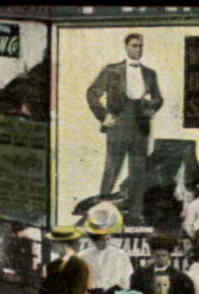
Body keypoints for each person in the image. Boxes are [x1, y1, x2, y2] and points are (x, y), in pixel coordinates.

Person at [86, 33, 163, 222]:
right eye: (135, 46)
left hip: (140, 126)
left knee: (138, 171)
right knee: (112, 167)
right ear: (126, 47)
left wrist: (150, 106)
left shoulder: (150, 73)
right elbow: (92, 93)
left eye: (141, 46)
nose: (138, 49)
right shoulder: (112, 70)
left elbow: (159, 98)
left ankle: (136, 213)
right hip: (119, 124)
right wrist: (104, 116)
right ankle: (100, 212)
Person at [79, 202, 132, 294]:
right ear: (93, 240)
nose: (105, 243)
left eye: (107, 239)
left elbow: (126, 282)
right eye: (101, 240)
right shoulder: (82, 256)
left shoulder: (120, 255)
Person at [130, 235, 196, 294]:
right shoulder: (140, 275)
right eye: (157, 255)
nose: (161, 259)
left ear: (169, 256)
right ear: (152, 255)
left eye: (164, 255)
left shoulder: (181, 278)